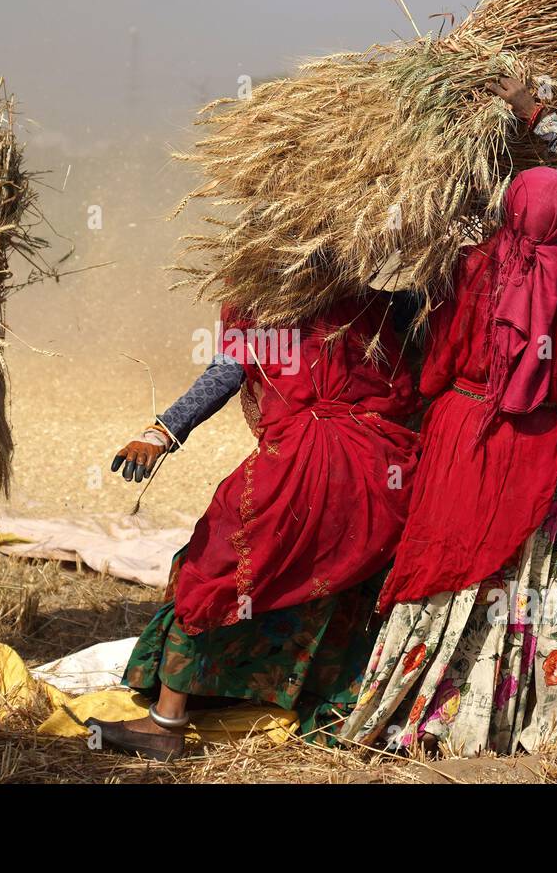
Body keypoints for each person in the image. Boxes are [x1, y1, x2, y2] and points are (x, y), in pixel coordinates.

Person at [339, 79, 557, 756]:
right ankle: (513, 723)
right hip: (538, 439)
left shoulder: (469, 261)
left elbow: (441, 208)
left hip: (465, 428)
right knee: (531, 580)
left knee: (448, 561)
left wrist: (469, 136)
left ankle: (409, 711)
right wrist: (537, 116)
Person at [90, 295, 420, 760]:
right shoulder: (384, 300)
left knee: (215, 569)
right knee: (334, 581)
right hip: (383, 464)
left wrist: (161, 432)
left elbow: (226, 372)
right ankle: (334, 712)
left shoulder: (264, 295)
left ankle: (165, 724)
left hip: (303, 464)